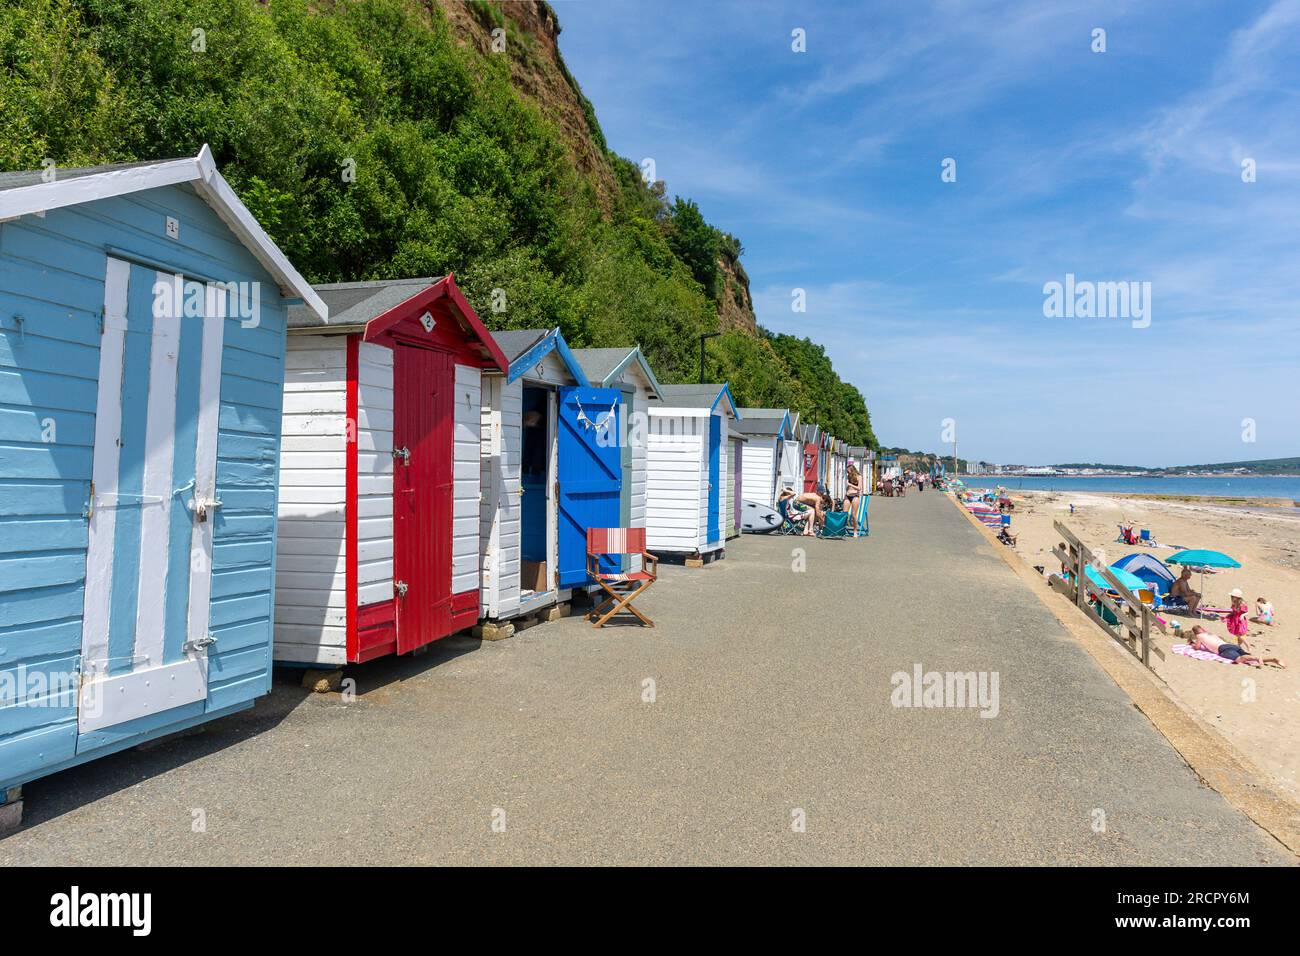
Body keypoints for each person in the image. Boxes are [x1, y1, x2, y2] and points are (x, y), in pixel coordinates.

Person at [1187, 625, 1285, 668]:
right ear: (1202, 629)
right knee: (1248, 658)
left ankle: (1257, 658)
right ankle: (1273, 659)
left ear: (1195, 633)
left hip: (1222, 649)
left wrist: (1192, 644)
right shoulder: (1211, 634)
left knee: (1239, 659)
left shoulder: (1199, 636)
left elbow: (1197, 648)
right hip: (1230, 645)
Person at [844, 464, 862, 533]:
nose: (848, 473)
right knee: (844, 514)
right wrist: (847, 489)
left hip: (855, 496)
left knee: (854, 515)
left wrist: (850, 484)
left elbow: (859, 488)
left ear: (852, 470)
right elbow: (848, 487)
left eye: (848, 471)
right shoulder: (849, 476)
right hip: (848, 496)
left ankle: (855, 531)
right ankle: (842, 530)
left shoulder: (859, 476)